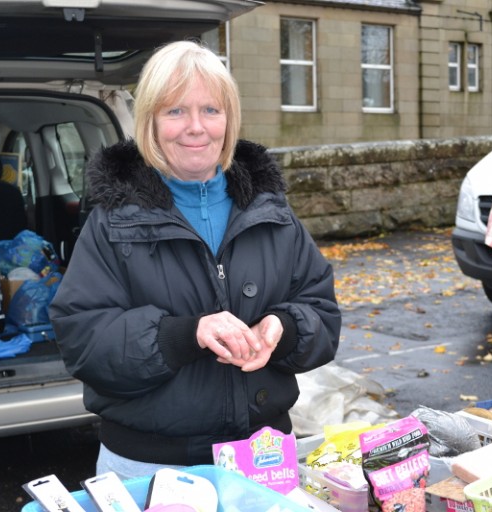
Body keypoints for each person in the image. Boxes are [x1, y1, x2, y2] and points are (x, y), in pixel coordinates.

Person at [49, 40, 341, 479]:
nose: (196, 127)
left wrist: (284, 327)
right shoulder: (113, 221)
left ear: (229, 118)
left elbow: (323, 313)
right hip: (149, 467)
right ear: (150, 120)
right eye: (175, 111)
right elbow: (83, 340)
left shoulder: (271, 211)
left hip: (263, 459)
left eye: (210, 110)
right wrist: (184, 335)